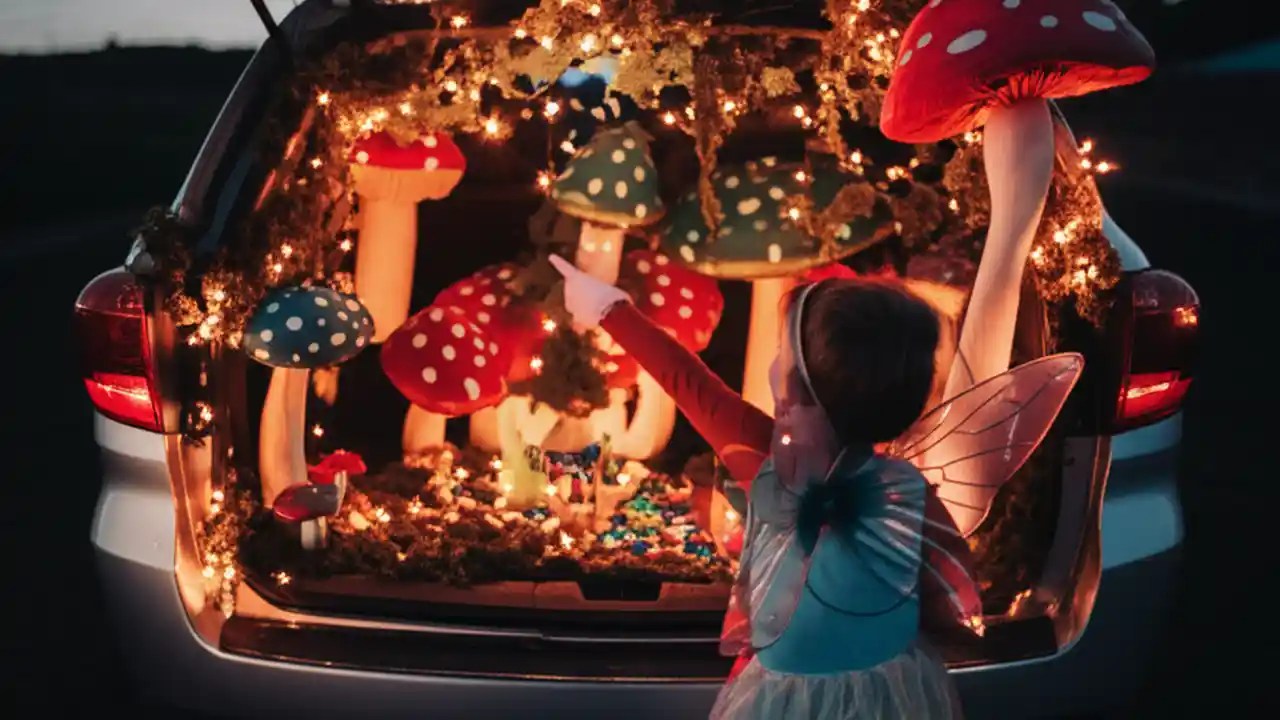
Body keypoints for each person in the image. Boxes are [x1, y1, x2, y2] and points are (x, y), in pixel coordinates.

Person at [550, 254, 973, 719]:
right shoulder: (908, 488)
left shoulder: (773, 470)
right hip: (896, 690)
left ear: (796, 386)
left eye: (783, 354)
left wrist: (609, 308)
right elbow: (945, 587)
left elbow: (692, 385)